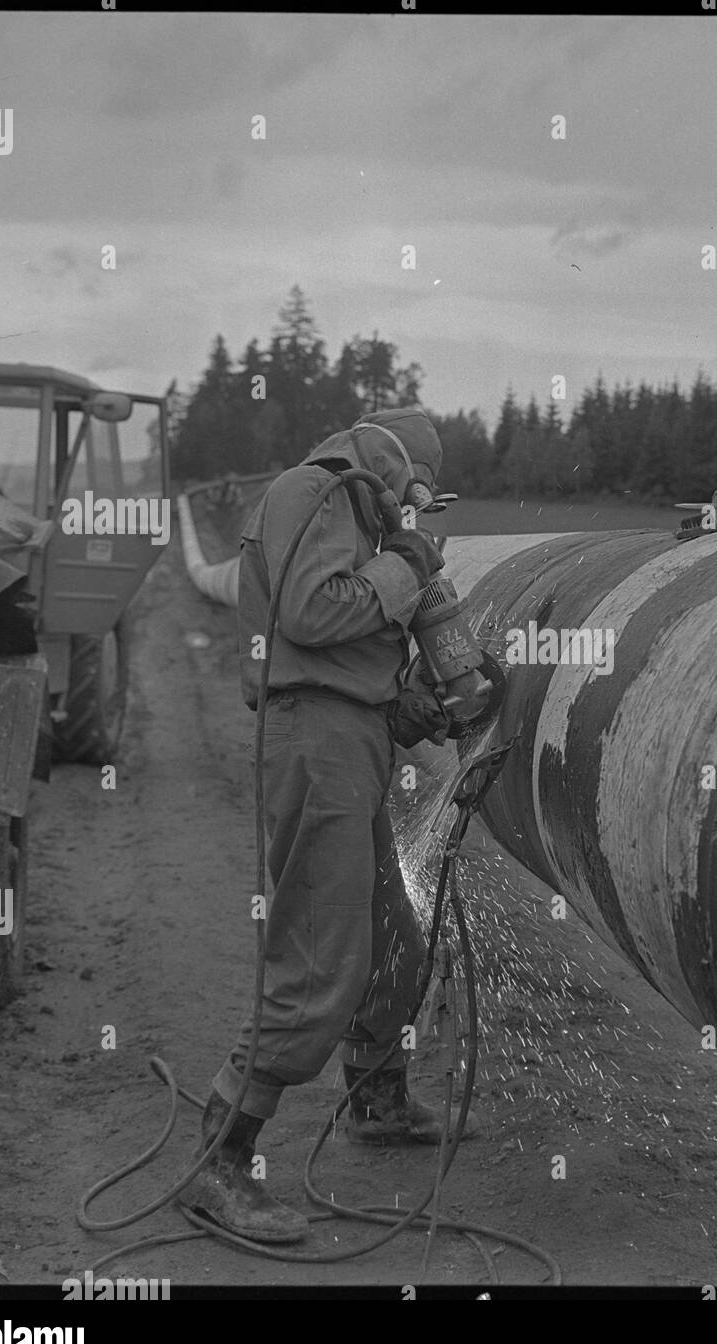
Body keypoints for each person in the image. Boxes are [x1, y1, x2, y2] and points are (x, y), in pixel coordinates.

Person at [178, 408, 466, 1244]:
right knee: (318, 955)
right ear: (400, 468)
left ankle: (376, 1098)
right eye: (416, 497)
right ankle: (219, 1163)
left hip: (346, 734)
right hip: (317, 743)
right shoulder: (321, 489)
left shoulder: (344, 507)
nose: (414, 519)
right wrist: (408, 564)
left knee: (392, 936)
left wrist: (407, 700)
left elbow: (337, 645)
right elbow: (311, 614)